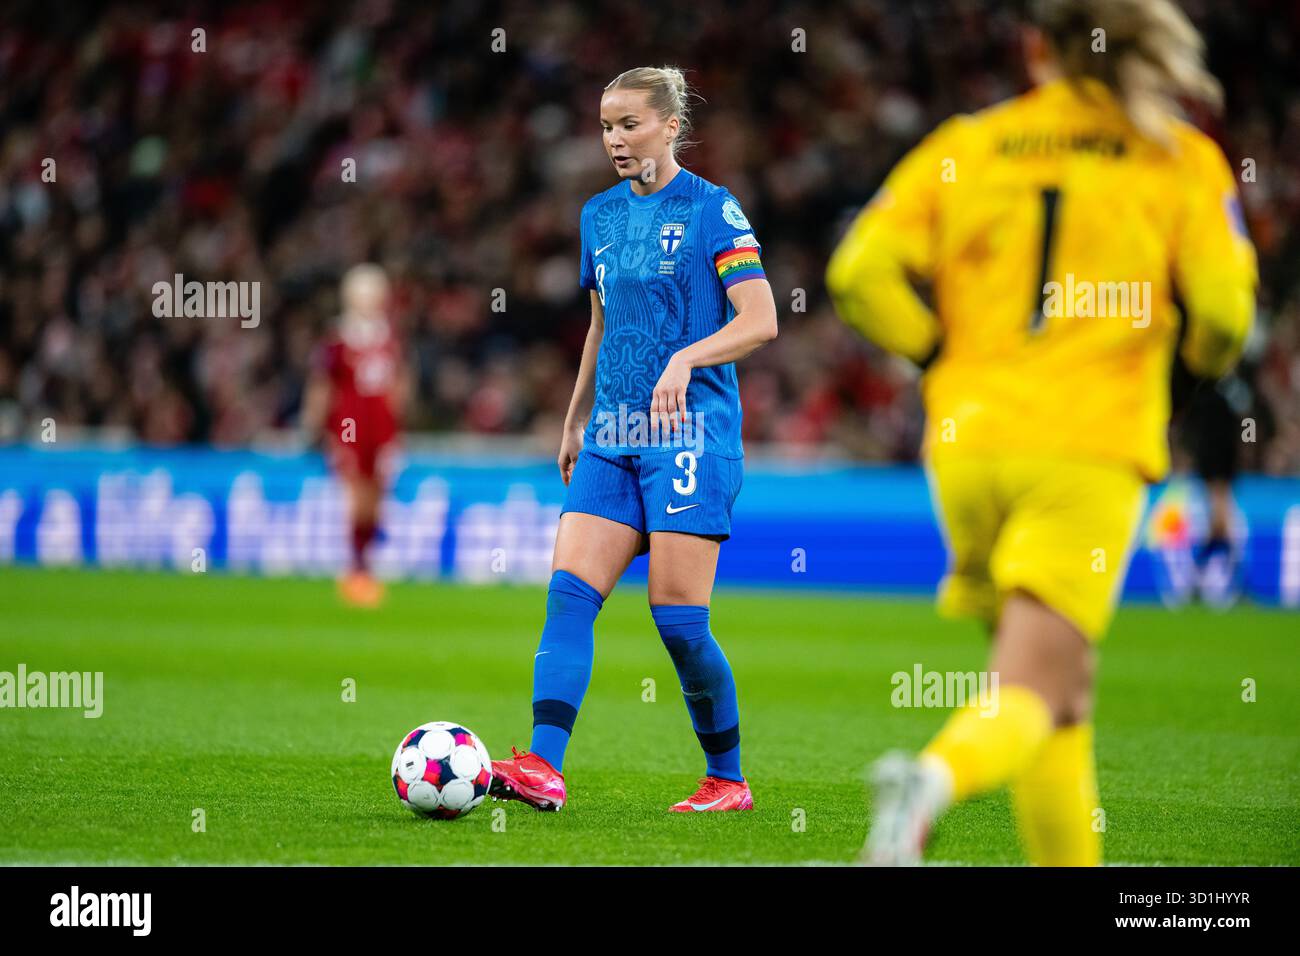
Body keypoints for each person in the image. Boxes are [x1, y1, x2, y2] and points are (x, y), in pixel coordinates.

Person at [826, 0, 1256, 864]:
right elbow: (1222, 311)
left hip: (969, 445)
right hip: (1086, 446)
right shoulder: (1179, 158)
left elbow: (856, 272)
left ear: (1036, 48)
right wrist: (1189, 372)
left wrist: (937, 350)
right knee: (1036, 685)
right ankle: (929, 785)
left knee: (1057, 694)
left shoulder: (969, 144)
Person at [489, 66, 778, 813]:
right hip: (613, 433)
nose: (614, 140)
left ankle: (728, 778)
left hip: (690, 432)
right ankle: (543, 766)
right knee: (568, 595)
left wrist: (686, 356)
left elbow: (760, 319)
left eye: (628, 124)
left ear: (669, 125)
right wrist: (574, 416)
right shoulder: (599, 217)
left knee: (679, 622)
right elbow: (601, 324)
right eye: (605, 126)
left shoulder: (715, 210)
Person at [302, 264, 407, 608]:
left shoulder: (388, 336)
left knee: (376, 499)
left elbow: (399, 381)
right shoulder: (338, 338)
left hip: (381, 427)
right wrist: (314, 423)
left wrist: (398, 419)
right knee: (356, 496)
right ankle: (356, 570)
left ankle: (365, 566)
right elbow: (323, 384)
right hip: (349, 426)